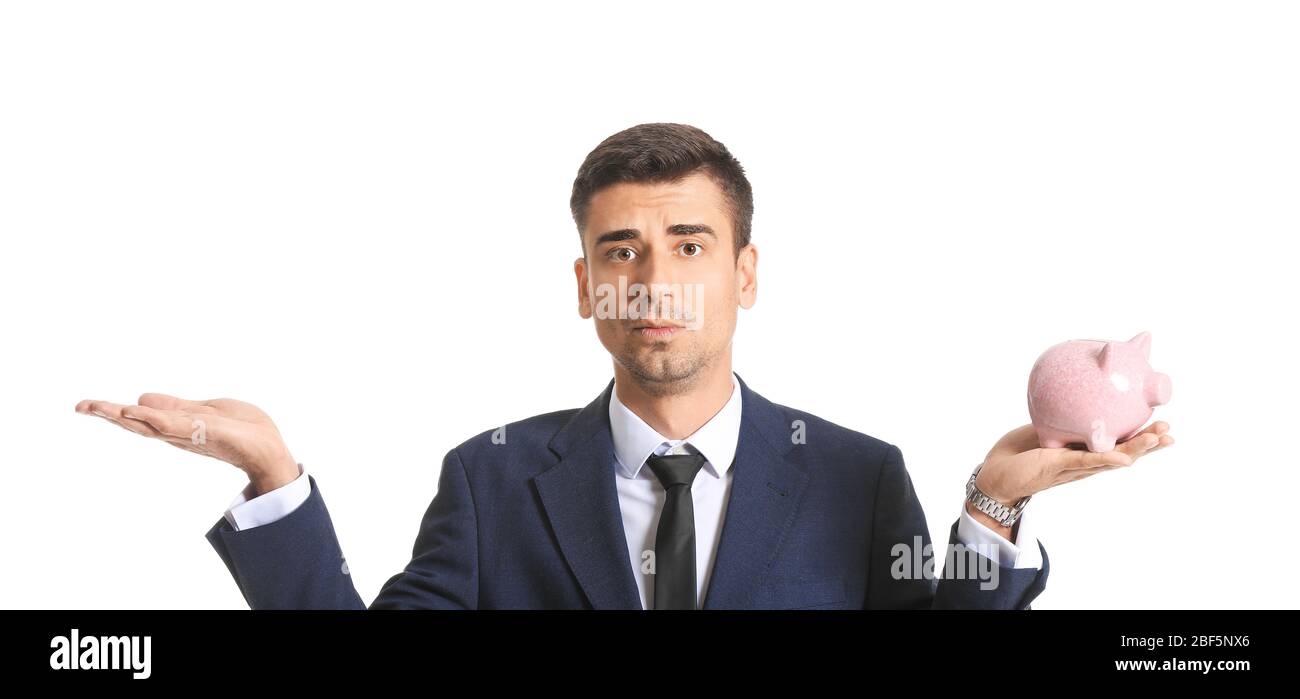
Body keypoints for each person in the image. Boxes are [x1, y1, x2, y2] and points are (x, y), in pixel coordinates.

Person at [75, 123, 1173, 609]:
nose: (653, 280)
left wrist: (989, 507)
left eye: (688, 247)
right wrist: (276, 477)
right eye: (621, 251)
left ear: (745, 274)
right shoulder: (490, 482)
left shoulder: (856, 473)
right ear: (585, 285)